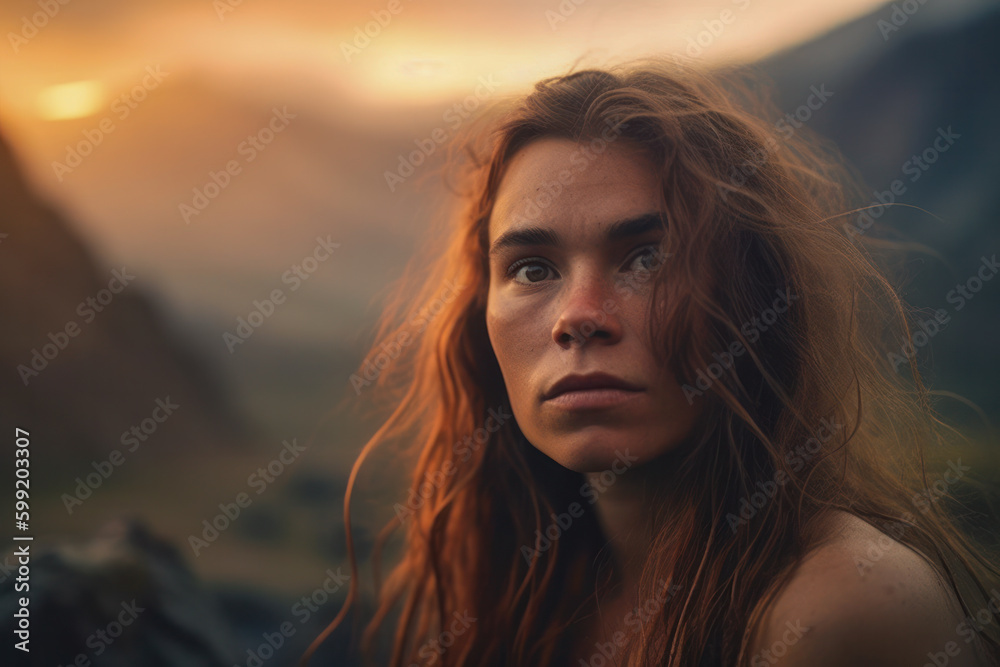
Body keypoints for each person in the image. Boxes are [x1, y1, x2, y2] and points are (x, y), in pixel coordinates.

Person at [302, 58, 1000, 666]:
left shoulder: (842, 605)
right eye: (533, 267)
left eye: (646, 257)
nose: (579, 315)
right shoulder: (528, 582)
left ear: (757, 291)